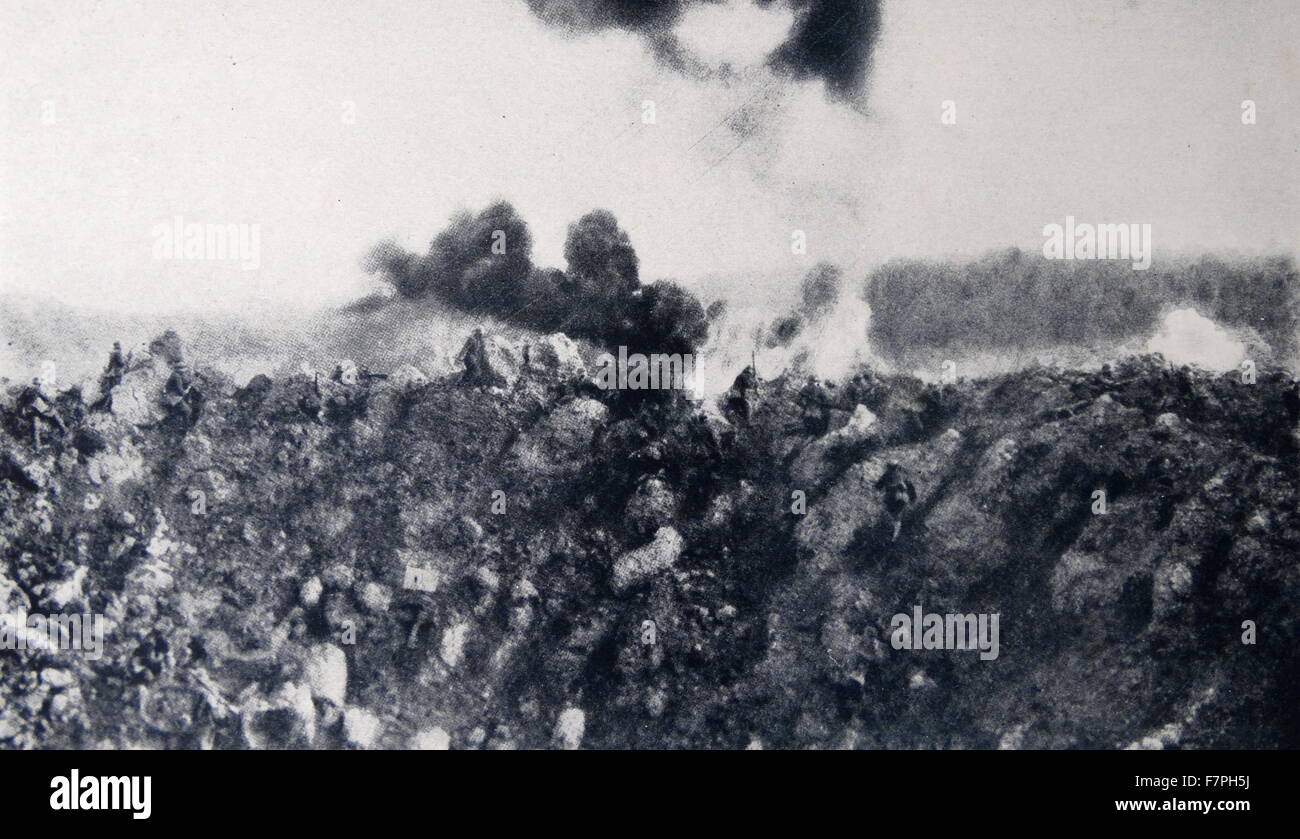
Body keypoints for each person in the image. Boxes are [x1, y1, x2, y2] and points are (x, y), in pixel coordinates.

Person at [17, 377, 66, 449]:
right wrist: (52, 402)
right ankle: (63, 431)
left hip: (31, 412)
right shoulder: (36, 390)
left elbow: (20, 402)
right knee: (54, 415)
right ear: (38, 384)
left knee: (35, 428)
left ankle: (36, 445)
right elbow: (46, 398)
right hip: (36, 411)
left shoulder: (26, 391)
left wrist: (21, 413)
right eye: (38, 384)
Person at [875, 461, 917, 543]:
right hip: (892, 499)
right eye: (891, 468)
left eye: (893, 468)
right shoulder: (887, 477)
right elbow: (878, 487)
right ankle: (892, 534)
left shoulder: (902, 478)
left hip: (898, 499)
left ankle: (894, 536)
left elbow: (911, 490)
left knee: (896, 515)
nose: (892, 471)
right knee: (893, 515)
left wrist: (911, 499)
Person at [90, 342, 127, 412]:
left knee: (110, 391)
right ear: (119, 346)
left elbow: (110, 365)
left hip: (111, 374)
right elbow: (120, 363)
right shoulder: (118, 353)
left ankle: (106, 406)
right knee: (115, 390)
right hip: (116, 374)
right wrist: (125, 362)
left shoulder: (112, 353)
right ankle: (109, 406)